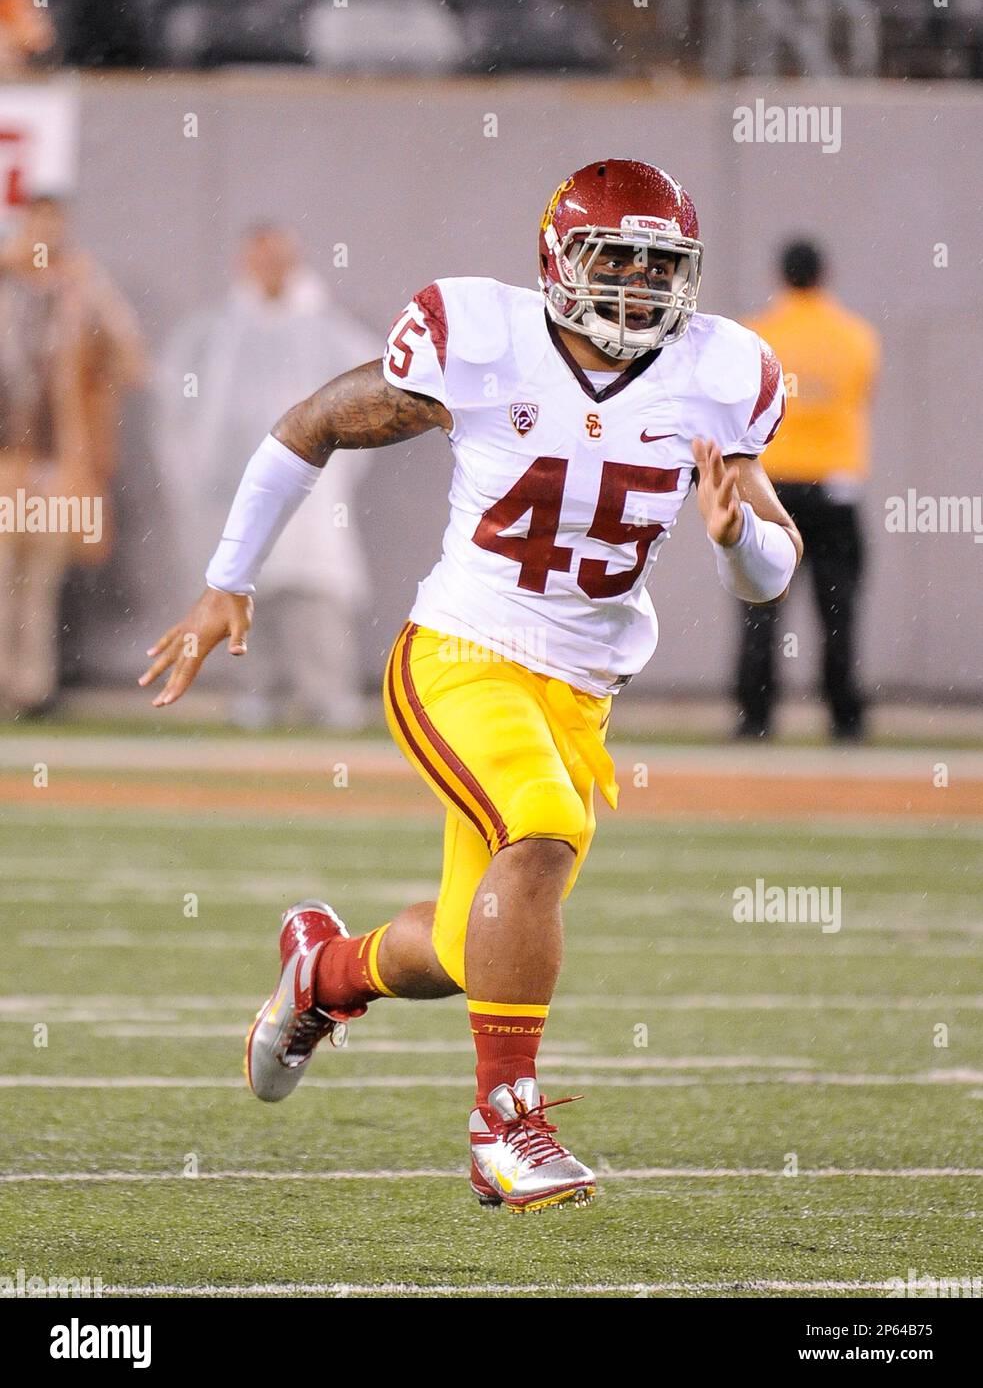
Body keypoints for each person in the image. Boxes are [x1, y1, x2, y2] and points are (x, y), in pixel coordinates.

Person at [140, 160, 802, 1212]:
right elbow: (310, 425)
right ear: (556, 259)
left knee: (464, 943)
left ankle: (322, 972)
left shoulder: (718, 371)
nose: (635, 283)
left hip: (578, 692)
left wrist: (732, 545)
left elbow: (773, 563)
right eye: (613, 257)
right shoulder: (481, 342)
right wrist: (227, 582)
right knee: (533, 831)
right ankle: (505, 1124)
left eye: (657, 263)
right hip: (459, 650)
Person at [157, 223, 374, 728]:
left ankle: (328, 695)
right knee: (241, 582)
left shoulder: (327, 328)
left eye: (280, 257)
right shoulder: (214, 334)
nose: (271, 268)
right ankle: (253, 693)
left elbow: (371, 394)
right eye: (261, 258)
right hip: (235, 485)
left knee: (318, 590)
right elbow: (181, 410)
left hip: (316, 492)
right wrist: (199, 474)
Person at [0, 194, 144, 716]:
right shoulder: (7, 284)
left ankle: (28, 691)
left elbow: (132, 357)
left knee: (39, 578)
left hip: (57, 458)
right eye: (35, 226)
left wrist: (87, 289)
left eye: (53, 226)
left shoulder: (79, 288)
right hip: (5, 455)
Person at [737, 239, 880, 741]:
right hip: (835, 490)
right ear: (826, 274)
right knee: (838, 610)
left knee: (760, 608)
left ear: (781, 276)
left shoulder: (758, 337)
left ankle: (754, 719)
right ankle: (845, 717)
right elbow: (861, 392)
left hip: (770, 488)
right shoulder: (856, 337)